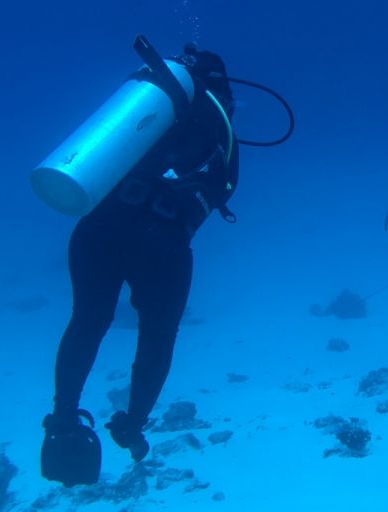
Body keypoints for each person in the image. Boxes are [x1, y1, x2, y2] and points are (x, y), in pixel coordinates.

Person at [41, 43, 239, 479]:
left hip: (98, 229)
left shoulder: (143, 113)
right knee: (157, 336)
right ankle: (132, 424)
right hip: (162, 246)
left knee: (87, 321)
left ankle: (61, 419)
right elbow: (219, 190)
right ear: (221, 90)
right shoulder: (220, 127)